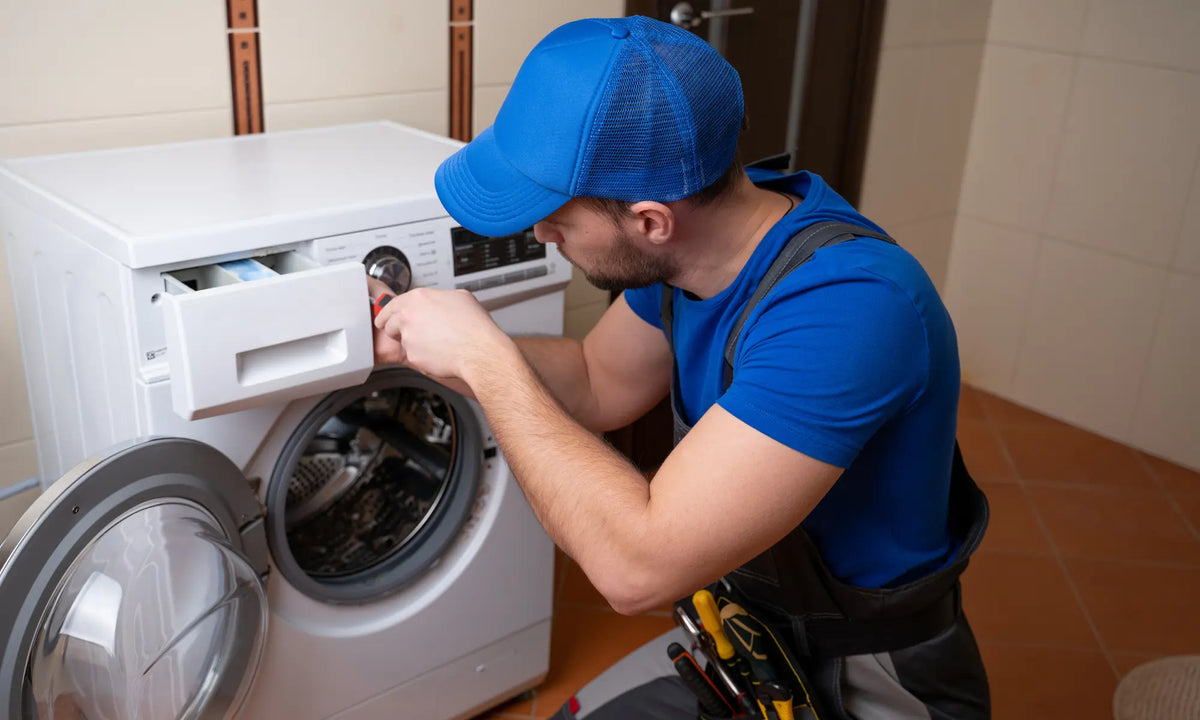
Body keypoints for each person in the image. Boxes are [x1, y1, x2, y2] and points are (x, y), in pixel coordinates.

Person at [369, 15, 990, 720]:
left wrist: (486, 362)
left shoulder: (849, 310)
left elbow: (635, 569)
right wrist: (440, 349)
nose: (541, 232)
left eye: (556, 216)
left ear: (650, 220)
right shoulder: (695, 251)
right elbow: (597, 382)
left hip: (866, 675)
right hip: (748, 637)